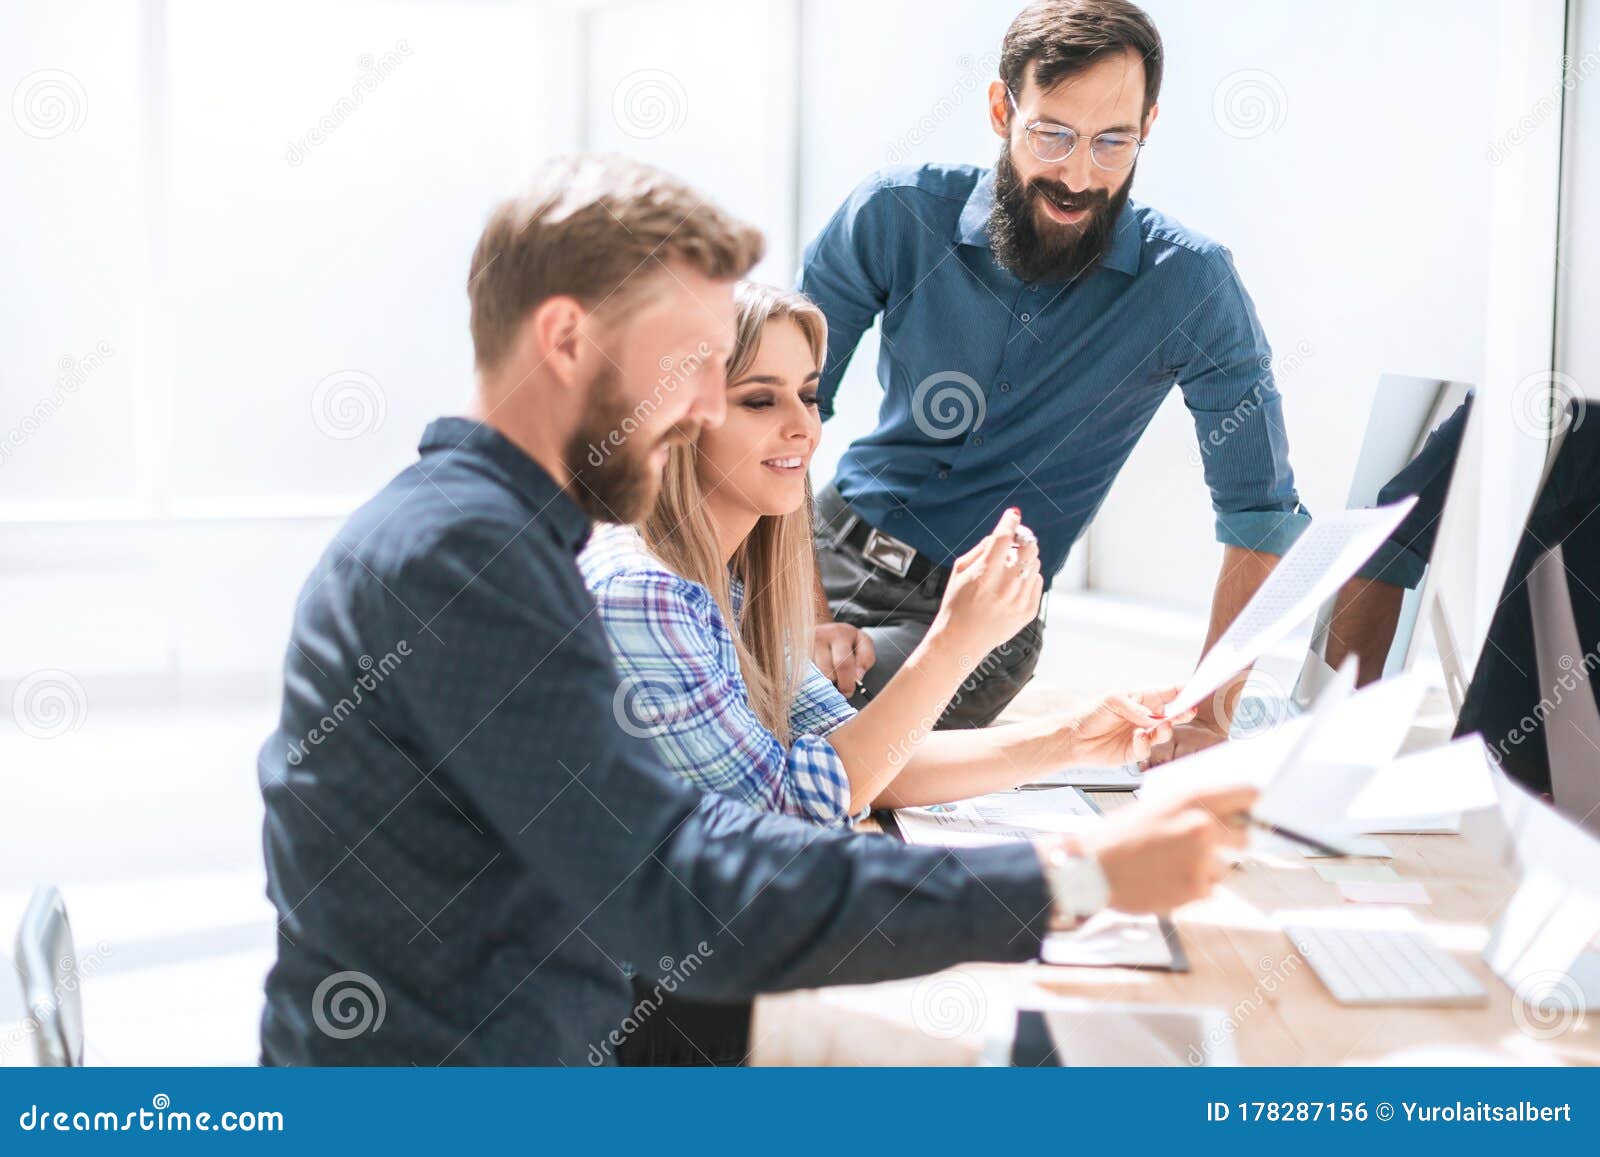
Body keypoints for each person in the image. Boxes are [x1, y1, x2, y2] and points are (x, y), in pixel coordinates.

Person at [256, 152, 1256, 1066]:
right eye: (689, 366)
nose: (698, 409)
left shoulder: (494, 540)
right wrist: (1073, 880)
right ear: (564, 337)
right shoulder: (465, 563)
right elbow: (686, 888)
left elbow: (701, 841)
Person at [801, 0, 1307, 761]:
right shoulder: (894, 215)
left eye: (1114, 142)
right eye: (1053, 134)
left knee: (827, 736)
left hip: (982, 621)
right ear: (1003, 107)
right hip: (817, 548)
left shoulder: (1192, 288)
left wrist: (1211, 712)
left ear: (1149, 128)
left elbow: (1260, 518)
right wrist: (801, 614)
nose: (1079, 175)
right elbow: (768, 411)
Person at [582, 281, 1191, 826]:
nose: (805, 428)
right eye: (760, 401)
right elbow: (788, 807)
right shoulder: (643, 593)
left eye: (809, 395)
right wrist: (957, 640)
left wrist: (1079, 735)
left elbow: (868, 761)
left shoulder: (731, 589)